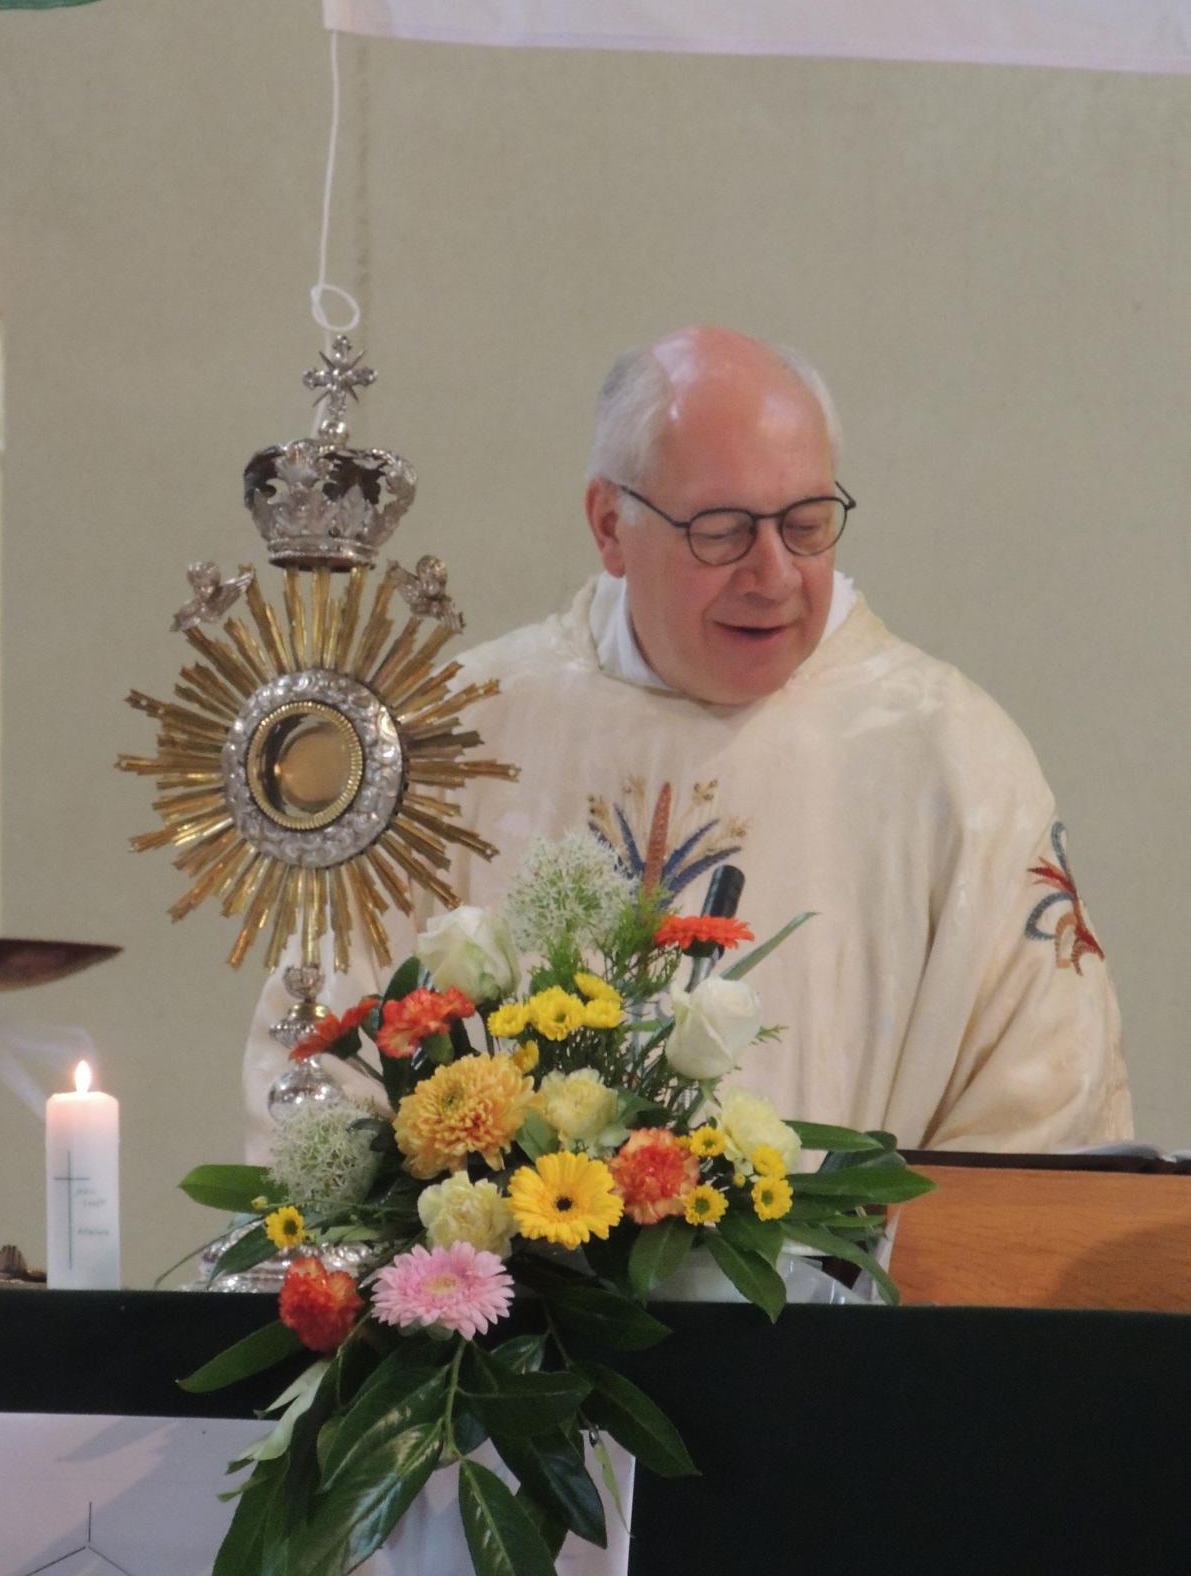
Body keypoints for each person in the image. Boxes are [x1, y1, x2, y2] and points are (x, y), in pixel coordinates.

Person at [245, 326, 1130, 1153]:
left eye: (806, 524)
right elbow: (324, 1057)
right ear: (609, 526)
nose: (773, 575)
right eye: (723, 532)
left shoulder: (952, 760)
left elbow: (1044, 1105)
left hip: (860, 1279)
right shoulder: (455, 741)